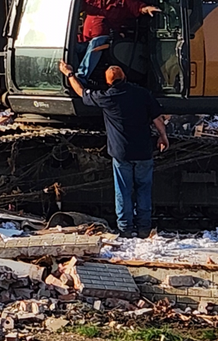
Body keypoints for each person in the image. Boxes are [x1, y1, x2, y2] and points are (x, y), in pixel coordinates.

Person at [59, 62, 169, 238]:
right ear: (124, 77)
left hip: (121, 153)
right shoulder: (142, 94)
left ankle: (125, 229)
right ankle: (143, 229)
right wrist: (163, 136)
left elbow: (81, 92)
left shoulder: (107, 97)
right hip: (143, 152)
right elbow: (157, 119)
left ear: (108, 83)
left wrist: (69, 74)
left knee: (123, 191)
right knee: (144, 189)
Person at [75, 0, 159, 80]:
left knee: (96, 42)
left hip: (109, 40)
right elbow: (77, 7)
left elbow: (139, 8)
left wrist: (148, 9)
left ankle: (81, 77)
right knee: (71, 43)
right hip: (85, 39)